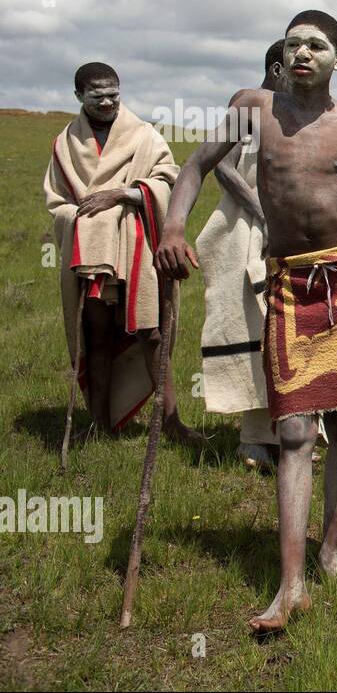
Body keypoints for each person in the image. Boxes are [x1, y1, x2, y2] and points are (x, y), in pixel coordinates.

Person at [155, 10, 337, 633]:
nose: (303, 53)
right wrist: (172, 225)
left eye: (317, 46)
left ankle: (332, 551)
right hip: (290, 282)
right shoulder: (253, 107)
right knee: (294, 432)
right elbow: (194, 166)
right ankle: (289, 585)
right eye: (294, 43)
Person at [43, 62, 199, 444]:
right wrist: (83, 220)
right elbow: (57, 202)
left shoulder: (144, 135)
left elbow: (167, 181)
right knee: (95, 335)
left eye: (114, 94)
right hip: (91, 256)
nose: (108, 102)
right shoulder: (65, 145)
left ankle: (171, 422)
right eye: (98, 96)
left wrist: (122, 196)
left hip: (137, 246)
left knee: (152, 333)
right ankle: (98, 423)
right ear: (79, 96)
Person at [194, 40, 283, 469]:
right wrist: (262, 214)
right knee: (254, 329)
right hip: (245, 231)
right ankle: (252, 440)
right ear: (277, 68)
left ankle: (286, 437)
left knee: (285, 334)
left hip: (283, 236)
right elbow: (223, 167)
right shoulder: (248, 104)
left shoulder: (293, 112)